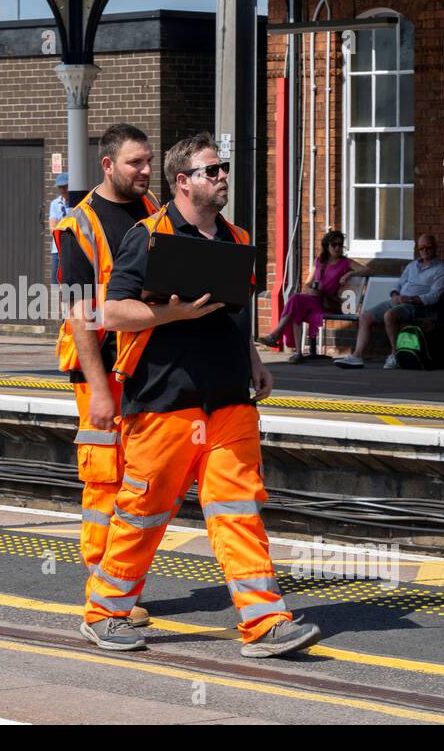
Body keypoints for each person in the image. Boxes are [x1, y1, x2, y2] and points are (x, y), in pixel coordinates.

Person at [80, 131, 322, 659]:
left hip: (230, 401)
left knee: (239, 510)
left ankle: (264, 624)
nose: (222, 178)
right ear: (182, 181)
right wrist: (174, 314)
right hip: (166, 401)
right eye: (212, 170)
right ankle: (104, 614)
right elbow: (112, 312)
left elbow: (235, 313)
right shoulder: (149, 236)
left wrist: (255, 360)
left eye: (224, 169)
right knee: (143, 512)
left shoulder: (235, 238)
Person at [53, 124, 160, 628]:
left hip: (140, 363)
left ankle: (120, 586)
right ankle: (102, 588)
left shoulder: (150, 207)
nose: (145, 171)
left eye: (148, 161)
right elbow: (80, 312)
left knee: (138, 477)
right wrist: (98, 389)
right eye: (136, 163)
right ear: (108, 165)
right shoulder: (80, 225)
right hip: (98, 367)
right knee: (105, 477)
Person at [334, 232, 444, 370]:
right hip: (398, 301)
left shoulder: (441, 270)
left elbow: (433, 296)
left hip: (416, 306)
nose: (424, 250)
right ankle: (357, 356)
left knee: (389, 315)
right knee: (365, 316)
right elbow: (398, 284)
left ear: (436, 247)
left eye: (428, 247)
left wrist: (410, 298)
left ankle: (395, 355)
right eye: (421, 248)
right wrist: (395, 294)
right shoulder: (412, 265)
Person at [262, 230, 371, 362]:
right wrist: (311, 290)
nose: (337, 247)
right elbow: (307, 284)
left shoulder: (345, 263)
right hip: (313, 299)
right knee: (297, 303)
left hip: (327, 303)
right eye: (334, 244)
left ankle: (279, 338)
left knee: (296, 300)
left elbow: (368, 270)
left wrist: (348, 274)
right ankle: (294, 351)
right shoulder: (319, 261)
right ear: (327, 246)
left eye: (340, 244)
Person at [47, 173, 69, 285]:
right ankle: (55, 303)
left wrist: (61, 227)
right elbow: (52, 229)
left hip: (72, 249)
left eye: (65, 186)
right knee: (55, 282)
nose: (62, 190)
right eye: (60, 187)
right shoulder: (55, 204)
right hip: (57, 249)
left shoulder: (78, 203)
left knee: (71, 281)